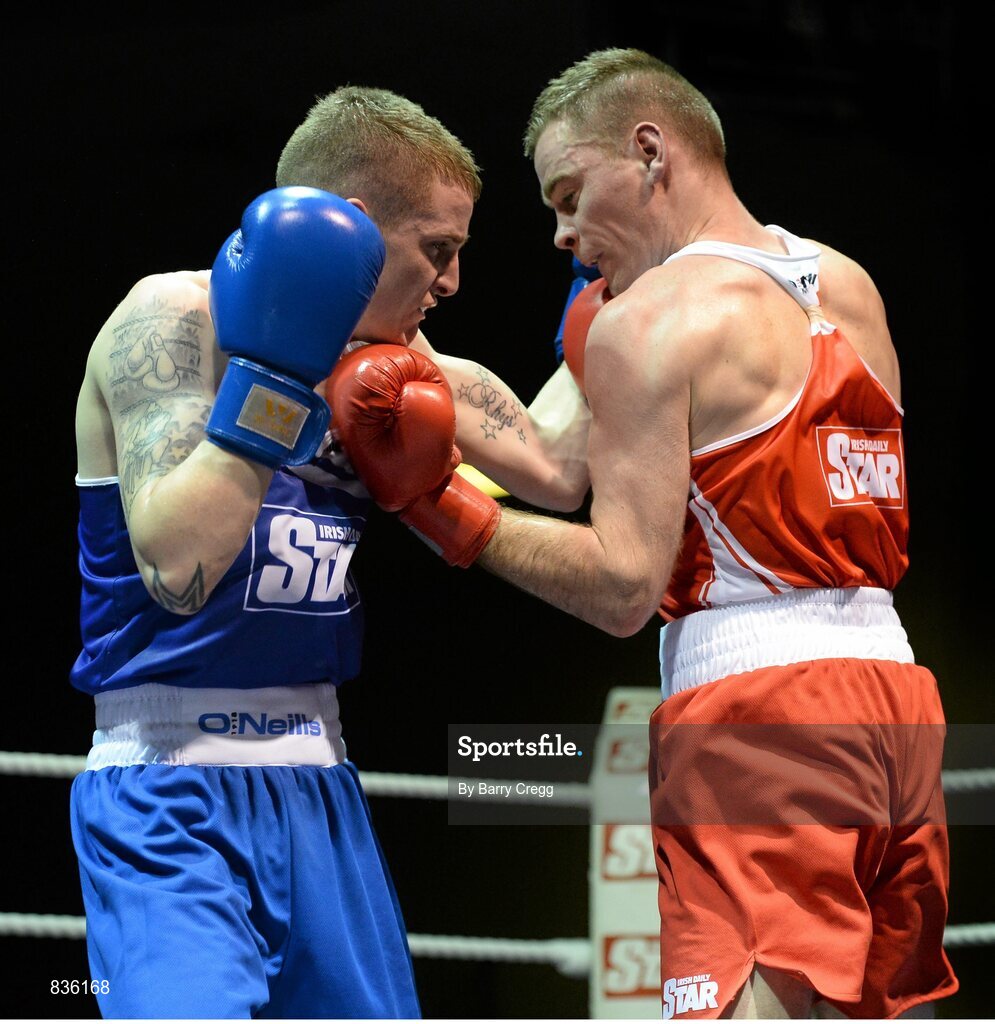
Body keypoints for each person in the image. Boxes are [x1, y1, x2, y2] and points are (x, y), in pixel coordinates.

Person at [328, 49, 959, 1019]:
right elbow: (553, 458)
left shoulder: (649, 321)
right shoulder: (842, 283)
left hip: (757, 716)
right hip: (893, 703)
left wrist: (438, 509)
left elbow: (624, 587)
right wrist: (398, 349)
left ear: (649, 151)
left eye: (571, 193)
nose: (561, 230)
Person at [69, 85, 493, 1019]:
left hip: (319, 785)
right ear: (346, 233)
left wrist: (636, 287)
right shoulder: (174, 319)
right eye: (437, 249)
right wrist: (274, 379)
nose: (451, 282)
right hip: (169, 784)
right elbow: (175, 568)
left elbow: (560, 461)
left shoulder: (388, 376)